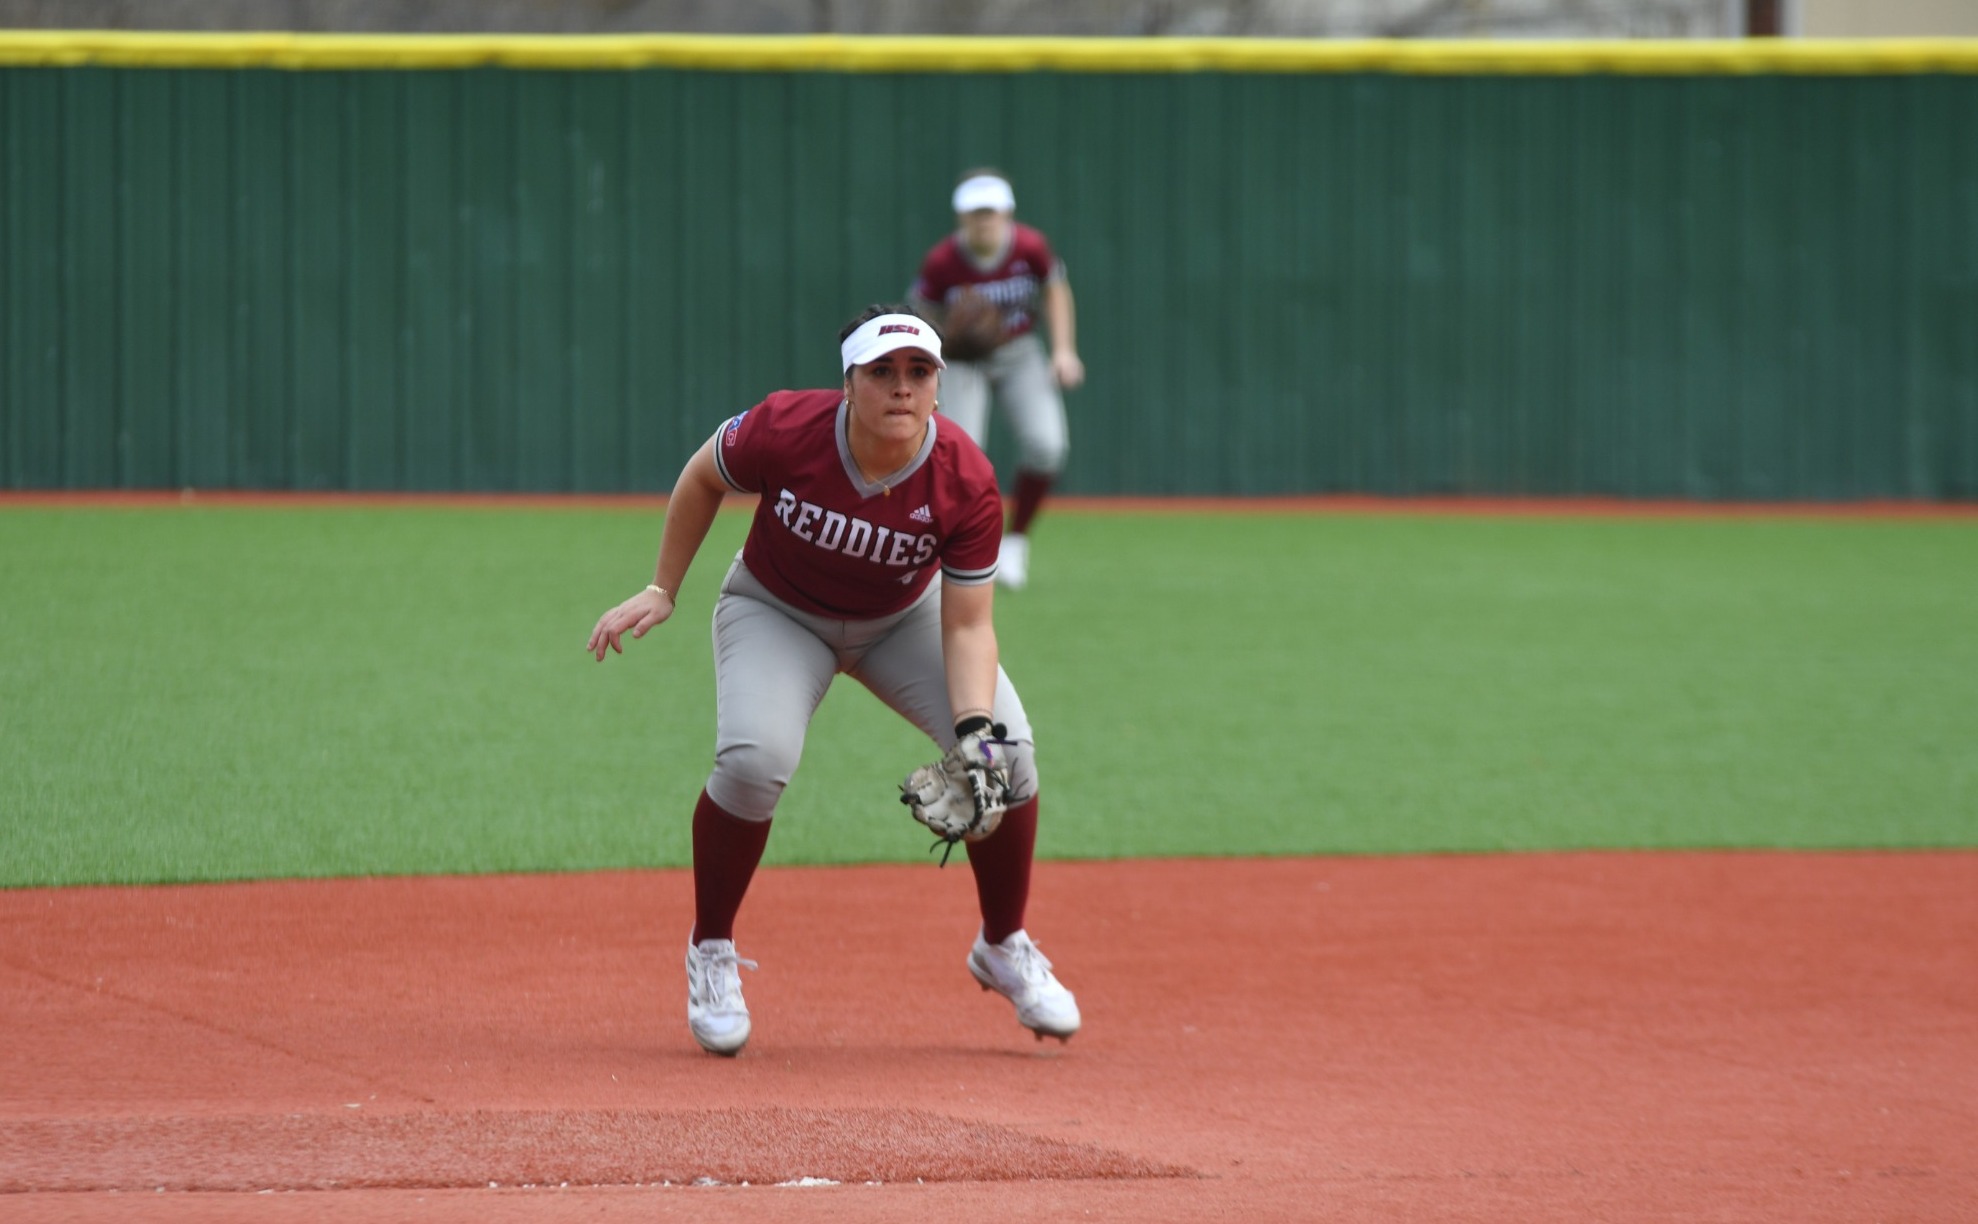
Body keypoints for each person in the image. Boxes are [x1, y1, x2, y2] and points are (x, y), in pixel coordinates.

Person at [586, 304, 1080, 1057]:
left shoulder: (965, 477)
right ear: (848, 383)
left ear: (940, 388)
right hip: (777, 610)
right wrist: (663, 588)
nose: (902, 388)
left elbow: (969, 623)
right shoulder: (787, 428)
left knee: (1007, 758)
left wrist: (976, 726)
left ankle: (1003, 943)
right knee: (753, 763)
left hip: (901, 621)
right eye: (882, 372)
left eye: (919, 372)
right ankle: (711, 950)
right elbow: (702, 476)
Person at [910, 169, 1084, 591]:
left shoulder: (1029, 246)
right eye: (975, 214)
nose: (984, 221)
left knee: (1048, 446)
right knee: (961, 455)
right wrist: (941, 347)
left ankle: (1016, 541)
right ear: (961, 218)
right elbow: (920, 314)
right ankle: (954, 549)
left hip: (1019, 350)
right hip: (962, 360)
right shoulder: (943, 261)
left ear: (1007, 213)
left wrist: (1063, 349)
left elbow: (1055, 289)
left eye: (991, 212)